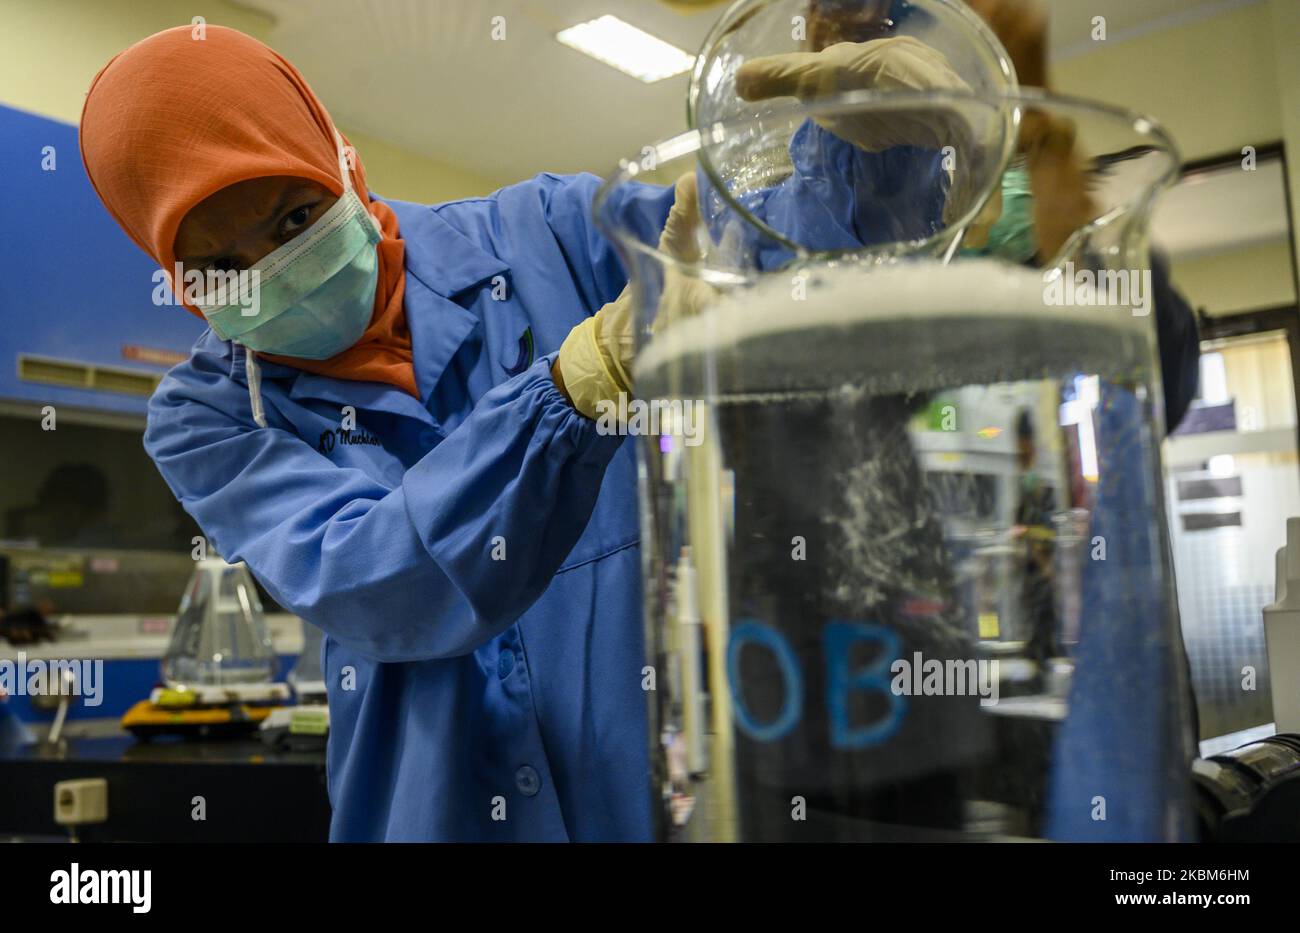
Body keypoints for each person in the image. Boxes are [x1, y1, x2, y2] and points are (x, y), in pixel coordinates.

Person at [79, 5, 1198, 843]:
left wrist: (867, 145)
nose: (269, 270)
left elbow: (767, 273)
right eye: (215, 266)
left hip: (659, 800)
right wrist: (570, 389)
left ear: (339, 159)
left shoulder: (556, 231)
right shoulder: (209, 414)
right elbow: (383, 581)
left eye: (290, 216)